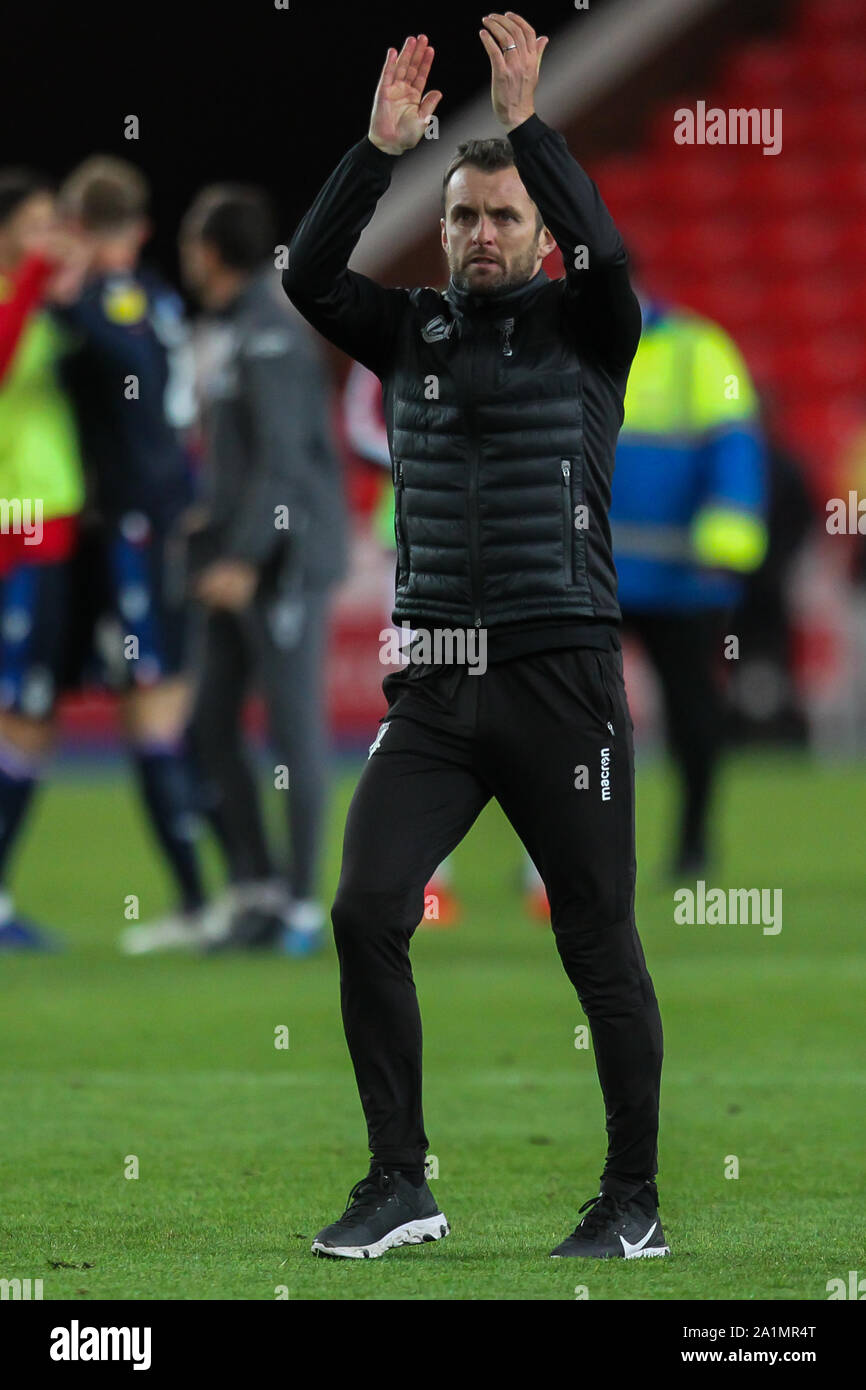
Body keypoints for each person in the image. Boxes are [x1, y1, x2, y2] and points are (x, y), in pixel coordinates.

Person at [283, 15, 667, 1261]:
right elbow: (304, 276)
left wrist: (528, 126)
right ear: (440, 234)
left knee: (595, 936)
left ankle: (631, 1202)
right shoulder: (408, 334)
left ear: (536, 235)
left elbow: (607, 249)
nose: (483, 236)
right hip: (439, 684)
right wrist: (377, 153)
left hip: (561, 676)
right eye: (462, 219)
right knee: (364, 909)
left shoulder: (590, 326)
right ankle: (401, 1181)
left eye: (503, 217)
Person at [178, 185, 348, 955]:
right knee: (209, 728)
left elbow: (281, 465)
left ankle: (304, 907)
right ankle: (256, 889)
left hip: (283, 563)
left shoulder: (270, 335)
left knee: (292, 730)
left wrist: (246, 557)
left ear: (210, 250)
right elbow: (242, 460)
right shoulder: (235, 331)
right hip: (237, 556)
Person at [52, 157, 210, 949]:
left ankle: (199, 900)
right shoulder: (158, 300)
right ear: (141, 229)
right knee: (144, 708)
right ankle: (212, 894)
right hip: (147, 520)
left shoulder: (88, 305)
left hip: (124, 528)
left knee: (146, 709)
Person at [608, 293, 768, 876]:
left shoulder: (697, 350)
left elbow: (734, 448)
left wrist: (725, 546)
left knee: (692, 713)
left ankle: (693, 842)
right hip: (596, 571)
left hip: (679, 577)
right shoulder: (567, 336)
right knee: (563, 715)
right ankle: (559, 858)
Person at [0, 170, 87, 949]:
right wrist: (33, 277)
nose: (48, 236)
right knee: (17, 713)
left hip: (53, 534)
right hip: (10, 532)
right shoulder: (12, 298)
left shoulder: (51, 305)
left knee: (33, 717)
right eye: (33, 225)